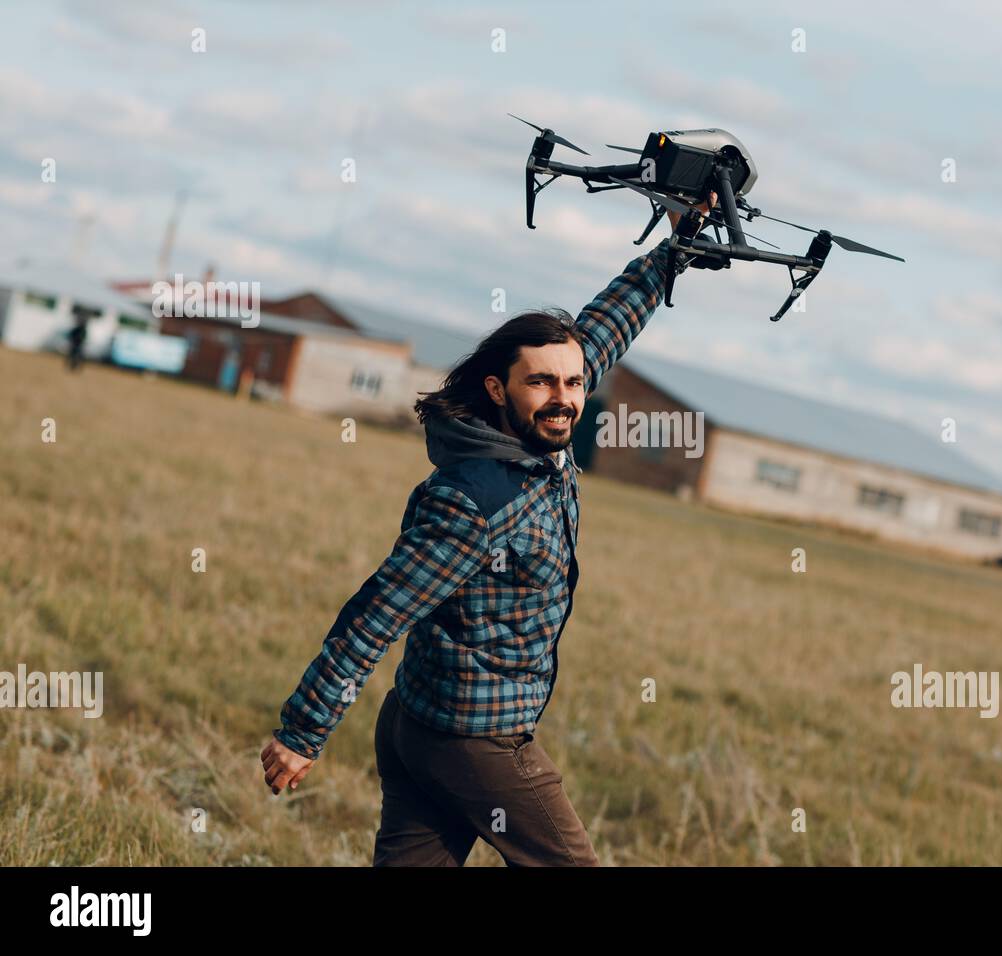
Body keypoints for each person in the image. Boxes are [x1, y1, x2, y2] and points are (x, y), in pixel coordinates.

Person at [261, 192, 717, 866]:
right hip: (476, 740)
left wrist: (674, 247)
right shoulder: (477, 498)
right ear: (500, 391)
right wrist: (303, 730)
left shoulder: (542, 439)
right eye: (542, 384)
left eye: (574, 382)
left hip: (422, 724)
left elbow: (604, 328)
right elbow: (375, 614)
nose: (563, 397)